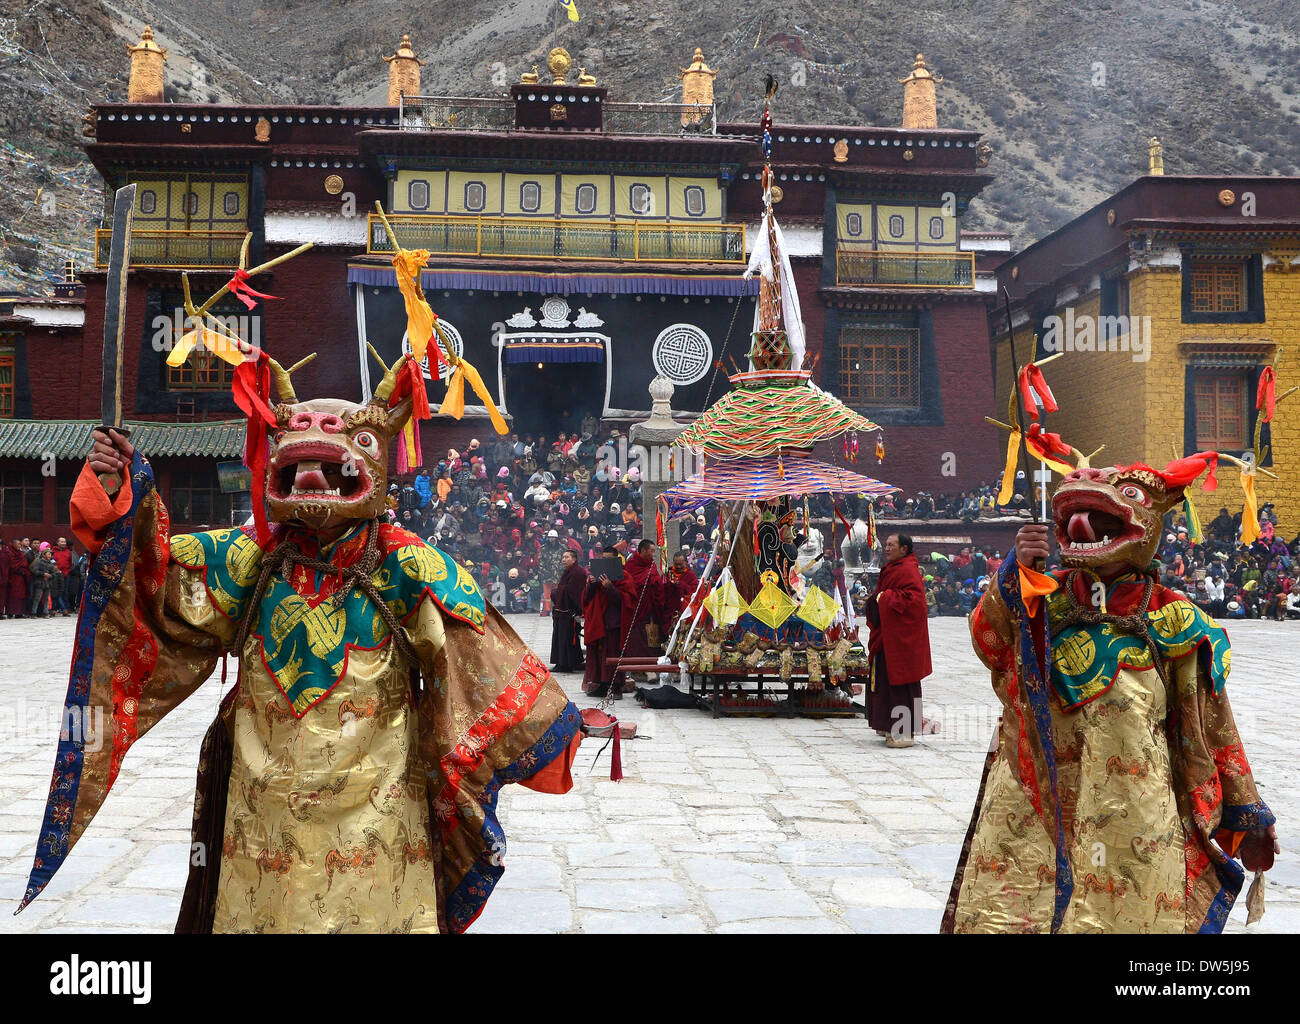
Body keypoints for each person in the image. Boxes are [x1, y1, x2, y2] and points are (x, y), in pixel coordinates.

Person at [18, 346, 584, 935]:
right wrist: (123, 495)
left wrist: (548, 728)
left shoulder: (407, 564)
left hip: (380, 805)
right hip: (260, 808)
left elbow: (476, 656)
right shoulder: (251, 556)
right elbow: (156, 576)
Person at [945, 454, 1277, 933]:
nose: (1086, 526)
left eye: (1110, 515)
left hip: (1133, 807)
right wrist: (1014, 573)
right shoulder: (1041, 596)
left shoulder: (1175, 619)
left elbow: (1211, 722)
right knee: (1019, 908)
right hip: (1034, 789)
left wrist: (1248, 812)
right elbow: (991, 643)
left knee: (1121, 912)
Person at [863, 533, 932, 748]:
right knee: (883, 681)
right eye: (886, 544)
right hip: (888, 635)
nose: (887, 548)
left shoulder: (907, 569)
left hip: (902, 640)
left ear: (904, 549)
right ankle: (886, 725)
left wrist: (885, 598)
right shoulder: (893, 568)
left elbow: (915, 602)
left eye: (891, 545)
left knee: (902, 684)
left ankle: (904, 732)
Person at [582, 547, 624, 698]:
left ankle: (617, 687)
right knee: (599, 656)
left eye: (609, 559)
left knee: (612, 654)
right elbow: (586, 599)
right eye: (603, 559)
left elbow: (625, 601)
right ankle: (601, 684)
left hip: (614, 623)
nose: (605, 562)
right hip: (598, 621)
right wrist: (592, 584)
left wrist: (610, 587)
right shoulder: (596, 576)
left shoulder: (623, 576)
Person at [549, 549, 588, 673]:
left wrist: (557, 591)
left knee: (566, 637)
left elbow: (573, 591)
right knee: (559, 636)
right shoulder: (568, 572)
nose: (563, 559)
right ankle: (563, 662)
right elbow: (564, 588)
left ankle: (566, 664)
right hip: (563, 609)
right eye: (563, 557)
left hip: (570, 610)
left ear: (574, 559)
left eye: (566, 557)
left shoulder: (578, 572)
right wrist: (558, 590)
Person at [1, 537, 32, 618]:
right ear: (13, 544)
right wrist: (19, 569)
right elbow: (10, 564)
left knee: (21, 595)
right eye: (18, 544)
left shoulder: (21, 553)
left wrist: (24, 570)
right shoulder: (9, 553)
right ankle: (10, 612)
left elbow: (25, 564)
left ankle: (19, 612)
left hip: (21, 578)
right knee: (12, 595)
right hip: (13, 577)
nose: (20, 545)